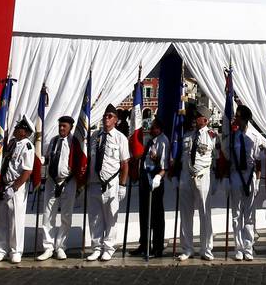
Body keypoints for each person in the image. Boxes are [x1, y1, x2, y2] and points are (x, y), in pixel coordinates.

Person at [0, 117, 35, 264]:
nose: (15, 129)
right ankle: (0, 250)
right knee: (0, 219)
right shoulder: (12, 143)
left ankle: (15, 251)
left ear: (24, 132)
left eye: (18, 128)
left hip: (16, 187)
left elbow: (27, 172)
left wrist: (14, 188)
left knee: (15, 221)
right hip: (4, 184)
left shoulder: (28, 147)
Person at [86, 106, 130, 261]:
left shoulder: (120, 138)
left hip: (111, 184)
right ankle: (97, 247)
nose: (106, 118)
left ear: (116, 120)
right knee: (95, 218)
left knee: (110, 217)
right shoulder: (95, 136)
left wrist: (123, 185)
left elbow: (125, 163)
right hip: (94, 182)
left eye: (110, 116)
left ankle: (109, 247)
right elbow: (90, 160)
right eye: (105, 116)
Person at [176, 104, 220, 261]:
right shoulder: (187, 135)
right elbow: (181, 157)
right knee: (185, 214)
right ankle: (187, 248)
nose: (195, 119)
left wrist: (217, 179)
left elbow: (217, 159)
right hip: (186, 176)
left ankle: (206, 249)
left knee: (205, 214)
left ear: (205, 119)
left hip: (203, 176)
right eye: (194, 116)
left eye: (198, 116)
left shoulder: (212, 137)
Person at [222, 104, 264, 260]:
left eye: (238, 116)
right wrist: (226, 178)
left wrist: (258, 180)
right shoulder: (232, 137)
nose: (236, 118)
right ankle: (238, 248)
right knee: (236, 214)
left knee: (249, 214)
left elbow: (259, 161)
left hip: (250, 176)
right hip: (235, 176)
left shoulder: (256, 137)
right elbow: (226, 159)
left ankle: (248, 248)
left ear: (245, 119)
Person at [37, 116, 78, 261]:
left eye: (64, 126)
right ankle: (48, 247)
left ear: (70, 127)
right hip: (51, 181)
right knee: (48, 215)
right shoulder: (54, 141)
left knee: (66, 216)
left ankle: (61, 246)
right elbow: (48, 158)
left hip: (67, 182)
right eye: (60, 126)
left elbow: (78, 164)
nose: (61, 128)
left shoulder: (74, 143)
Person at [128, 117, 168, 258]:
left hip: (155, 180)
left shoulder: (163, 142)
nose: (150, 130)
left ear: (160, 129)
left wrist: (158, 177)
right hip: (145, 179)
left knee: (156, 216)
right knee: (144, 213)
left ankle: (157, 247)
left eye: (153, 127)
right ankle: (144, 244)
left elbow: (164, 166)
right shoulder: (151, 141)